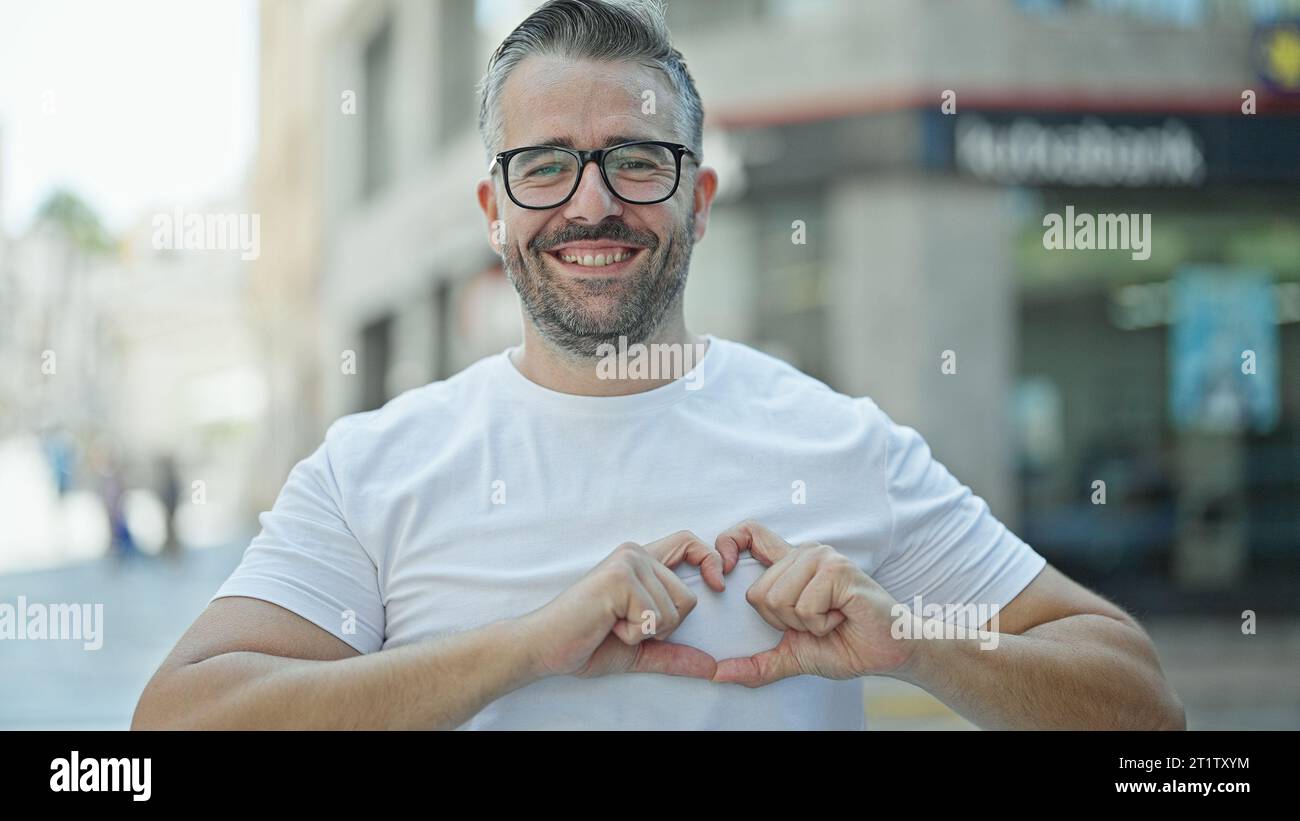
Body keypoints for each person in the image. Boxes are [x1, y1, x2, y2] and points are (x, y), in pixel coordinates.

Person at [133, 0, 1183, 730]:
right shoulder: (373, 466)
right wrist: (521, 647)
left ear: (700, 199)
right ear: (495, 214)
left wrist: (915, 641)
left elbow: (1144, 705)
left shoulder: (843, 443)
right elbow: (177, 720)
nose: (591, 204)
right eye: (545, 166)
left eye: (638, 160)